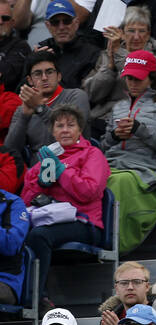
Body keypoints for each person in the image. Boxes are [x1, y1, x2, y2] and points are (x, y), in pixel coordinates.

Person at [21, 105, 109, 303]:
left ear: (80, 130)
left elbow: (89, 191)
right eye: (59, 126)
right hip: (48, 220)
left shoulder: (93, 154)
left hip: (84, 222)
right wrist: (40, 185)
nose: (65, 130)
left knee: (39, 235)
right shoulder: (41, 162)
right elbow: (25, 204)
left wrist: (62, 171)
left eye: (71, 125)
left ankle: (36, 299)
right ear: (52, 132)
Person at [102, 50, 156, 254]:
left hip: (151, 171)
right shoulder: (118, 106)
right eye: (129, 77)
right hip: (115, 165)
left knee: (119, 183)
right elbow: (103, 146)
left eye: (138, 78)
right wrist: (115, 136)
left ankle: (115, 244)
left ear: (151, 77)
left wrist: (141, 130)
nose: (132, 82)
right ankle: (98, 239)